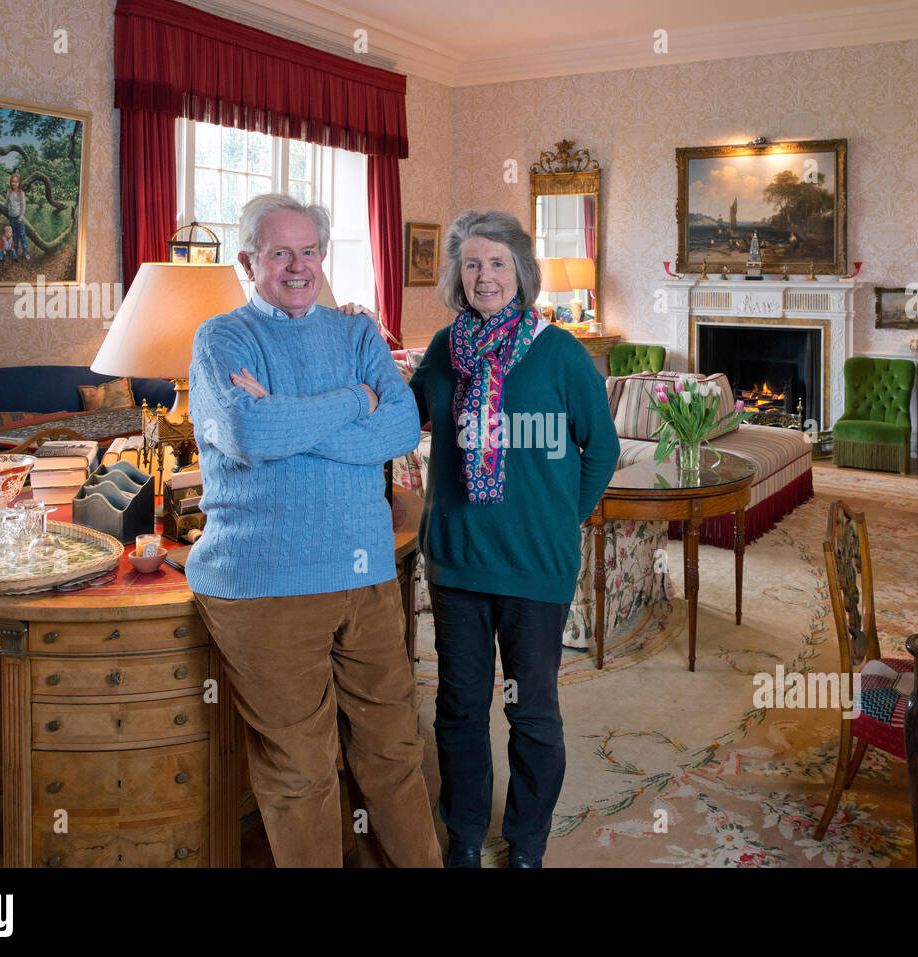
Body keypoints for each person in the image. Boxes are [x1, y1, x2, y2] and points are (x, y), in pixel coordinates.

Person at [187, 193, 442, 868]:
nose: (298, 267)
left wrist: (295, 422)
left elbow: (398, 427)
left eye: (309, 251)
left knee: (394, 748)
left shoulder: (357, 332)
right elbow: (248, 431)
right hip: (264, 582)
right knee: (301, 770)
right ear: (249, 261)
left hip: (365, 575)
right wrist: (354, 400)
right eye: (280, 253)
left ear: (323, 256)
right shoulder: (222, 338)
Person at [407, 209, 619, 867]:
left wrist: (561, 518)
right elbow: (400, 418)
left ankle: (527, 842)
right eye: (471, 263)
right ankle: (465, 836)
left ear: (521, 272)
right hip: (458, 564)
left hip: (534, 566)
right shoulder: (444, 351)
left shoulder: (559, 352)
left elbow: (602, 449)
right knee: (460, 708)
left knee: (531, 713)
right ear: (457, 274)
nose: (484, 276)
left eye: (497, 262)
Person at [2, 172, 29, 260]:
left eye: (16, 182)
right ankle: (15, 251)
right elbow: (6, 204)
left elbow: (23, 206)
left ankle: (26, 252)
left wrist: (21, 217)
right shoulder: (9, 192)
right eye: (12, 181)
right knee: (14, 236)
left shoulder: (21, 193)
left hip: (18, 218)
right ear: (11, 182)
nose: (14, 183)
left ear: (19, 183)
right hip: (11, 218)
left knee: (22, 235)